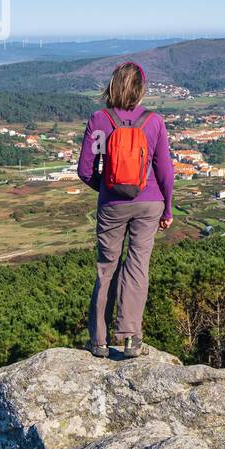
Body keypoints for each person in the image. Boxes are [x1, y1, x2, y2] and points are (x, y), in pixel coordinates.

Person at [77, 62, 173, 358]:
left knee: (107, 267)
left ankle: (99, 342)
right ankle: (131, 338)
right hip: (149, 203)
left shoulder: (99, 120)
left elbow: (84, 170)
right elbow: (165, 170)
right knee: (137, 265)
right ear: (141, 90)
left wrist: (107, 188)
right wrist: (167, 209)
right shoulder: (154, 121)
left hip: (112, 205)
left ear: (112, 86)